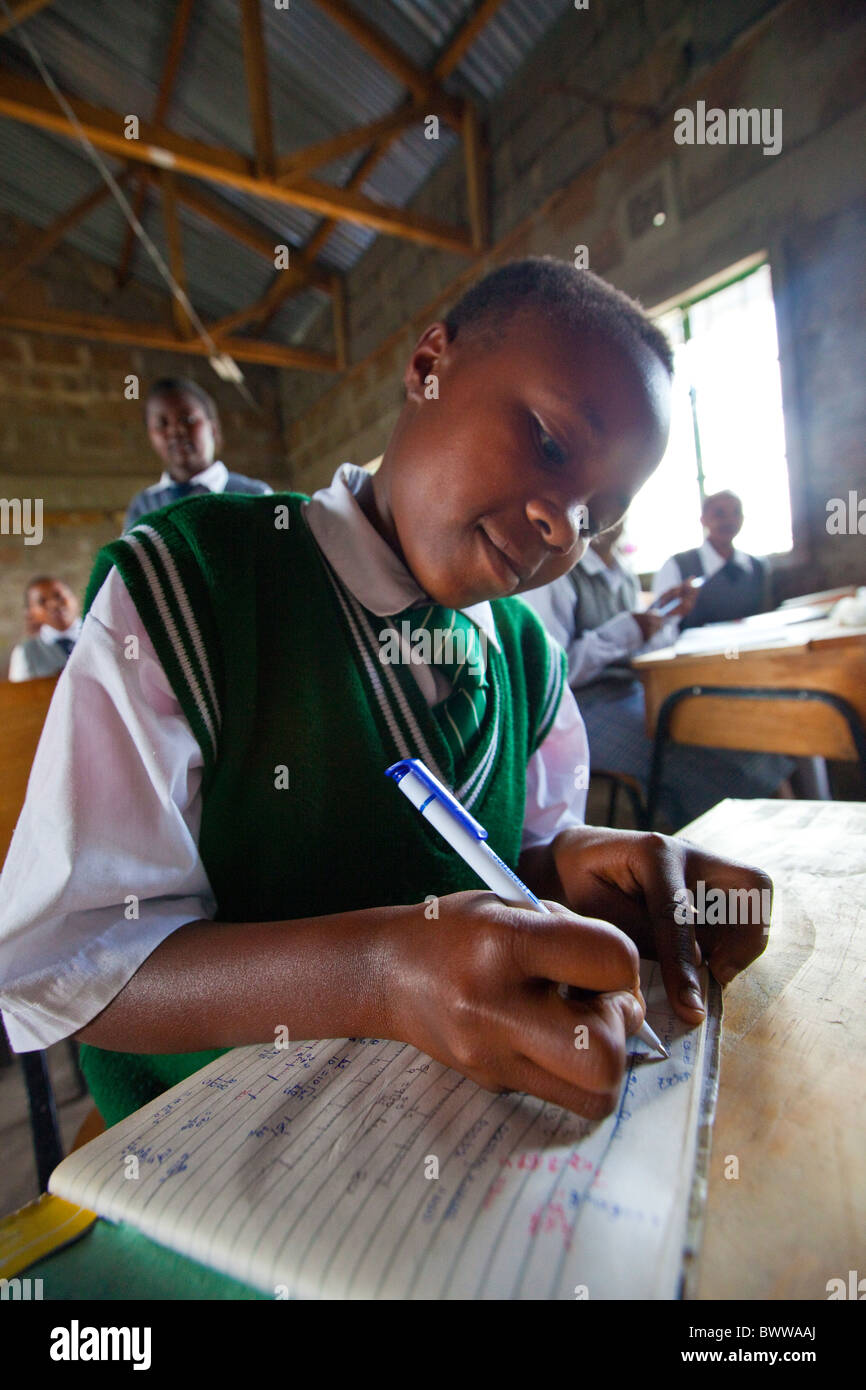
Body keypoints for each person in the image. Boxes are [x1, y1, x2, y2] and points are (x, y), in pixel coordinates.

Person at [0, 259, 771, 1130]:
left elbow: (487, 869)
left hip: (441, 1146)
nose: (566, 523)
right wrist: (383, 973)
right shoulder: (196, 586)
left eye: (603, 513)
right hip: (209, 1156)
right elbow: (69, 958)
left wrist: (567, 873)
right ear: (428, 367)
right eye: (551, 443)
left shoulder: (527, 658)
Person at [523, 523, 793, 829]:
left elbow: (639, 651)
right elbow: (555, 673)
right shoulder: (555, 573)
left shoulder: (622, 573)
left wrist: (663, 617)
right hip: (583, 710)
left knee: (736, 735)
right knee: (703, 760)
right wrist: (628, 630)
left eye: (621, 501)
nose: (610, 513)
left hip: (634, 693)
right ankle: (726, 849)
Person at [124, 377, 272, 531]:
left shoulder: (256, 496)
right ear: (151, 436)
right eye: (162, 424)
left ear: (213, 428)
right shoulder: (142, 506)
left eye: (188, 419)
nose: (176, 430)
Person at [654, 490, 772, 628]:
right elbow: (661, 624)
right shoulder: (678, 565)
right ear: (703, 520)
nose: (729, 520)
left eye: (736, 513)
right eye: (719, 514)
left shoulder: (757, 566)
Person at [8, 576, 81, 682]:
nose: (54, 604)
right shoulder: (25, 652)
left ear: (75, 598)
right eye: (42, 602)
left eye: (58, 596)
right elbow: (18, 695)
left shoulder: (99, 635)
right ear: (31, 613)